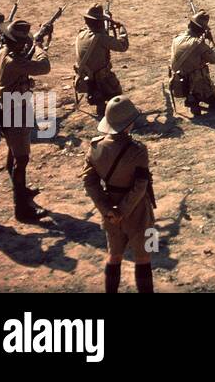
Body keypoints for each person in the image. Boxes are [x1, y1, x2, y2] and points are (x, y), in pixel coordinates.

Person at [82, 95, 156, 292]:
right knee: (145, 257)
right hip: (141, 211)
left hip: (110, 213)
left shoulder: (95, 147)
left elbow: (89, 183)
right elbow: (141, 185)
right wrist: (123, 210)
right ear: (129, 124)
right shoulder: (139, 150)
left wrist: (108, 210)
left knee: (114, 256)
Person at [0, 18, 53, 222]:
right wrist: (37, 45)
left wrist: (33, 43)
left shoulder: (3, 53)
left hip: (5, 109)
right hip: (15, 112)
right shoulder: (14, 61)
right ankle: (21, 209)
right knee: (22, 159)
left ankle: (20, 191)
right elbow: (44, 66)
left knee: (14, 152)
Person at [74, 3, 129, 118]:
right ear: (99, 22)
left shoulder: (81, 34)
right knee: (117, 96)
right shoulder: (101, 38)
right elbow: (122, 46)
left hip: (86, 78)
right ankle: (112, 111)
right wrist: (121, 28)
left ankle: (100, 103)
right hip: (101, 78)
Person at [169, 9, 215, 116]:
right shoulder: (199, 45)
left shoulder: (177, 38)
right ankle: (197, 97)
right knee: (214, 100)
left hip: (179, 81)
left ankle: (191, 97)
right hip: (196, 81)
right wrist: (210, 40)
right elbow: (214, 59)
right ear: (201, 30)